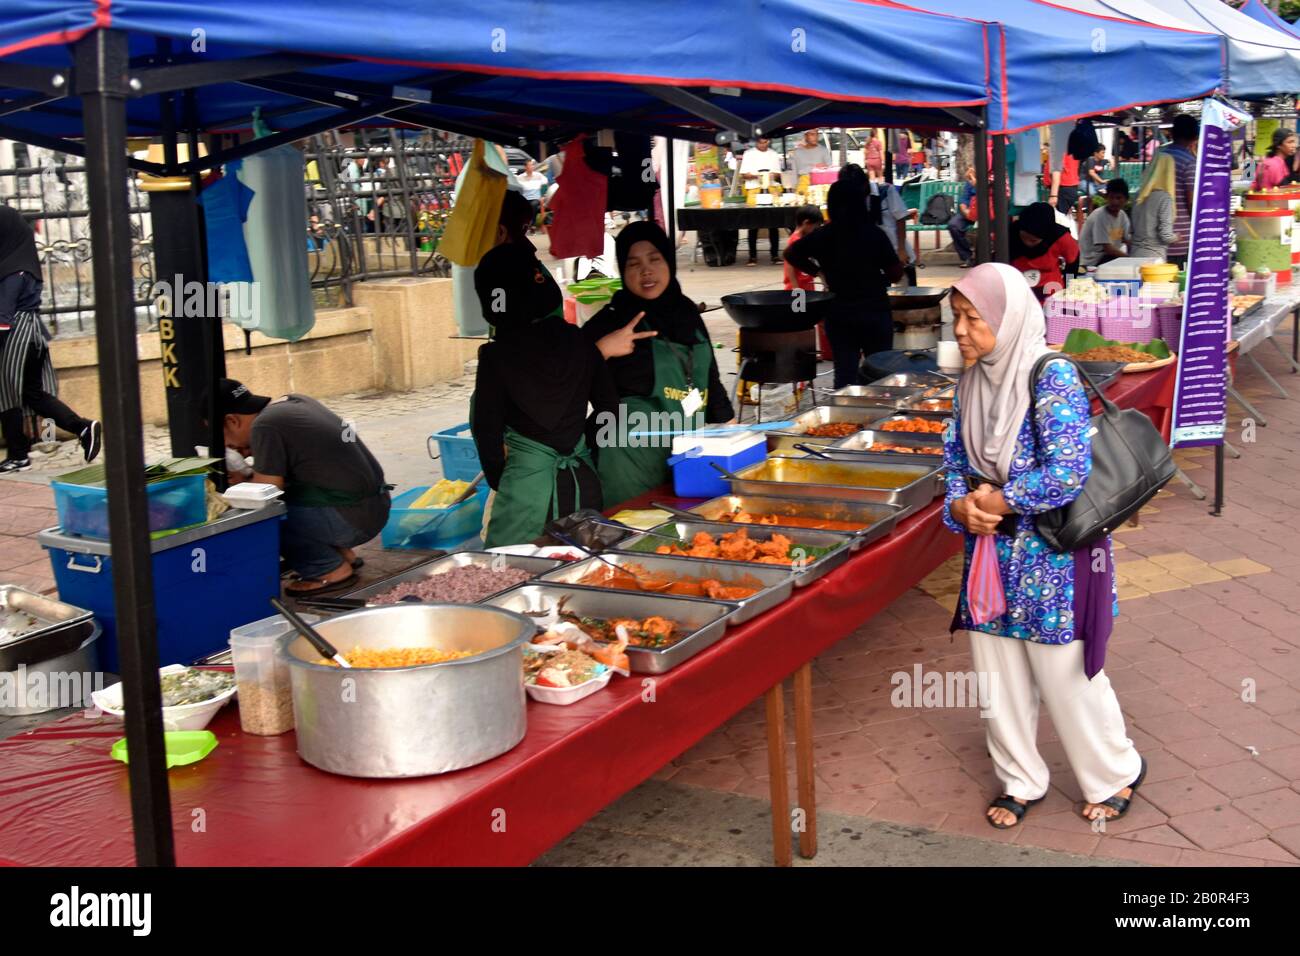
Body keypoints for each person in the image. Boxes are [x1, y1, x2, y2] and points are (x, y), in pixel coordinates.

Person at [944, 262, 1143, 831]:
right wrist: (961, 508)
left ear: (1007, 321)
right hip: (990, 556)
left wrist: (998, 502)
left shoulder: (1048, 374)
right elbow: (955, 466)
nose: (960, 331)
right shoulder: (971, 382)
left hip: (1052, 554)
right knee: (997, 673)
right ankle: (1020, 779)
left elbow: (1067, 472)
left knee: (1066, 672)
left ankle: (1115, 772)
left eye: (972, 319)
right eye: (956, 318)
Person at [472, 191, 618, 547]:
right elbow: (610, 410)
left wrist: (502, 478)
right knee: (584, 571)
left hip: (527, 492)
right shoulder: (578, 339)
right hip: (584, 482)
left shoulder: (496, 356)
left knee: (513, 576)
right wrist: (582, 447)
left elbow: (485, 429)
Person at [583, 221, 735, 504]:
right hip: (628, 459)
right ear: (622, 270)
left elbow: (710, 379)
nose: (646, 271)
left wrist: (730, 428)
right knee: (632, 535)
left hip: (689, 452)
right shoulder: (612, 319)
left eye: (654, 259)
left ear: (668, 260)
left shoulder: (686, 311)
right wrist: (600, 350)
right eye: (633, 263)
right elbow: (561, 378)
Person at [215, 378, 391, 595]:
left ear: (232, 421)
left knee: (267, 517)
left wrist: (241, 482)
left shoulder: (265, 426)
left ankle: (328, 569)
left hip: (353, 520)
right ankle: (343, 555)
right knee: (289, 499)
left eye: (221, 435)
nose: (226, 444)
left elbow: (267, 492)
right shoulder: (293, 404)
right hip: (373, 507)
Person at [0, 207, 100, 473]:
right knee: (33, 394)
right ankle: (83, 427)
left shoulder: (13, 272)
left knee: (7, 395)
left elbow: (3, 315)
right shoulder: (24, 265)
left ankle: (18, 454)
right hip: (32, 335)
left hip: (15, 336)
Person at [784, 179, 905, 389]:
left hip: (839, 311)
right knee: (879, 371)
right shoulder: (874, 234)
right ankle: (880, 417)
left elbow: (791, 253)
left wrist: (818, 271)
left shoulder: (824, 235)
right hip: (874, 309)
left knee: (845, 374)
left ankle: (844, 418)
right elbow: (895, 275)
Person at [1011, 202, 1079, 301]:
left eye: (1033, 240)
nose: (1027, 243)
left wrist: (1068, 289)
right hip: (1018, 293)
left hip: (1052, 294)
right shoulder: (1009, 234)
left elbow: (1073, 263)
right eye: (1024, 237)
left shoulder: (1060, 236)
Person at [1160, 114, 1198, 268]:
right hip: (1181, 239)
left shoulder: (1159, 156)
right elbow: (1192, 202)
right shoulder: (1189, 161)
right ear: (1195, 136)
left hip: (1158, 240)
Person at [739, 137, 783, 265]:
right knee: (753, 223)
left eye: (765, 142)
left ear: (768, 141)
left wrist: (771, 175)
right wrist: (756, 176)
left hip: (771, 188)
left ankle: (774, 254)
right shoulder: (749, 154)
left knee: (773, 223)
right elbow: (744, 175)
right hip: (754, 188)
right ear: (756, 142)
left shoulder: (773, 154)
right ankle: (752, 256)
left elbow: (778, 173)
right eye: (760, 142)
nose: (763, 145)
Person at [1129, 152, 1178, 262]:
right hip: (1154, 258)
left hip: (1135, 254)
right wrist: (1178, 237)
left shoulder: (1139, 195)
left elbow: (1131, 230)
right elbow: (1166, 236)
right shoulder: (1164, 198)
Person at [1078, 179, 1131, 269]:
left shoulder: (1122, 215)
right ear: (1106, 197)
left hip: (1108, 258)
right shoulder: (1100, 216)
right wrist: (1129, 259)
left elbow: (1128, 240)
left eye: (1118, 198)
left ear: (1126, 200)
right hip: (1093, 262)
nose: (1115, 202)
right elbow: (1108, 249)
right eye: (1111, 197)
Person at [783, 206, 823, 292]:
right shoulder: (795, 240)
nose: (815, 231)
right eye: (815, 227)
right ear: (806, 223)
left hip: (807, 284)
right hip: (797, 286)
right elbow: (790, 267)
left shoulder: (805, 240)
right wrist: (795, 288)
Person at [948, 165, 978, 269]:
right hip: (969, 212)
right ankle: (967, 256)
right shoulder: (970, 182)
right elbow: (964, 199)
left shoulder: (992, 179)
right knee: (953, 225)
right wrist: (966, 211)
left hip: (988, 212)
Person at [517, 158, 549, 226]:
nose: (532, 167)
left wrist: (543, 195)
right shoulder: (520, 177)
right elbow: (517, 189)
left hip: (536, 198)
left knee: (533, 205)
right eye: (530, 165)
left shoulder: (538, 175)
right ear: (525, 167)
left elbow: (546, 183)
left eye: (532, 165)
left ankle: (531, 223)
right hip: (525, 198)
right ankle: (525, 224)